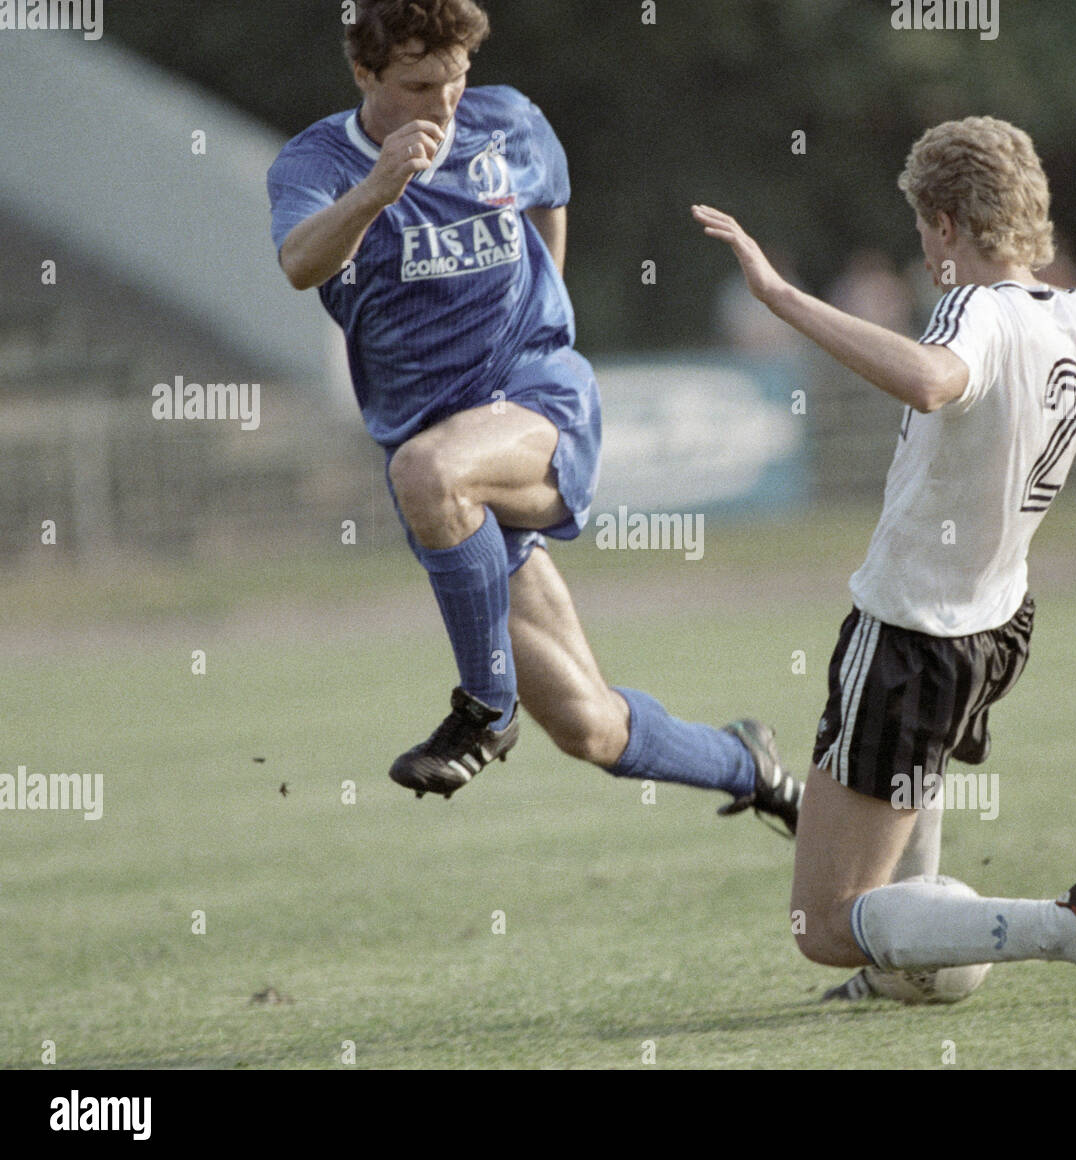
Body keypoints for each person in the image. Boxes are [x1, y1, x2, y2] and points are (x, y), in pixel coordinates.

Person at [266, 0, 801, 833]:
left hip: (535, 405)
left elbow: (549, 206)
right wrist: (379, 189)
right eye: (416, 84)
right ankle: (754, 767)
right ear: (364, 73)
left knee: (427, 473)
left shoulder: (507, 122)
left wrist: (537, 334)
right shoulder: (318, 163)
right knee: (588, 726)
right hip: (450, 465)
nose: (443, 102)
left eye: (456, 78)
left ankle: (483, 708)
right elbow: (301, 261)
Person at [694, 116, 1076, 995]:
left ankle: (1068, 925)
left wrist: (781, 298)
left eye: (926, 229)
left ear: (951, 224)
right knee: (893, 871)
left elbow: (931, 379)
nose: (924, 251)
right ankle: (889, 978)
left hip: (909, 631)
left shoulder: (974, 309)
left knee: (822, 923)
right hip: (995, 626)